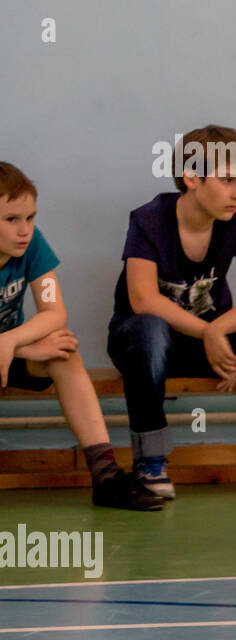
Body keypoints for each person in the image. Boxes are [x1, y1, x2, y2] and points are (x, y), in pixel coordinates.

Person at [107, 128, 236, 501]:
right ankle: (150, 462)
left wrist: (218, 331)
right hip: (146, 344)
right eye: (228, 179)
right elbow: (142, 299)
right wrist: (208, 331)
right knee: (149, 329)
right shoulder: (148, 220)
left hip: (212, 343)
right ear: (193, 177)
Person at [0, 162, 162, 510]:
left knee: (63, 352)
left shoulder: (31, 246)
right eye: (11, 219)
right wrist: (23, 345)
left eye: (30, 218)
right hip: (11, 350)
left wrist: (12, 343)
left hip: (9, 354)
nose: (24, 230)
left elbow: (54, 311)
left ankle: (106, 477)